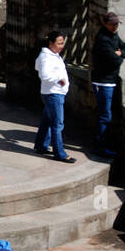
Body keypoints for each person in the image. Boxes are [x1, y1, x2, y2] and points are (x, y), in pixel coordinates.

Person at [91, 11, 125, 157]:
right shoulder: (102, 39)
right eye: (112, 24)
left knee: (106, 114)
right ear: (105, 23)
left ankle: (104, 143)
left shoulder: (113, 36)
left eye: (116, 24)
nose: (115, 27)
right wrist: (119, 54)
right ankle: (100, 147)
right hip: (103, 82)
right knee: (104, 115)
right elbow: (116, 60)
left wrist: (120, 53)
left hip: (110, 80)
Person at [33, 30, 75, 163]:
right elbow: (44, 75)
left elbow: (36, 67)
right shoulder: (47, 57)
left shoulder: (50, 55)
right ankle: (59, 153)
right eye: (59, 43)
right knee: (57, 124)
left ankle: (41, 145)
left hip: (52, 93)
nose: (62, 46)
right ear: (51, 43)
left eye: (63, 43)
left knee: (47, 121)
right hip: (53, 94)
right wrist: (59, 78)